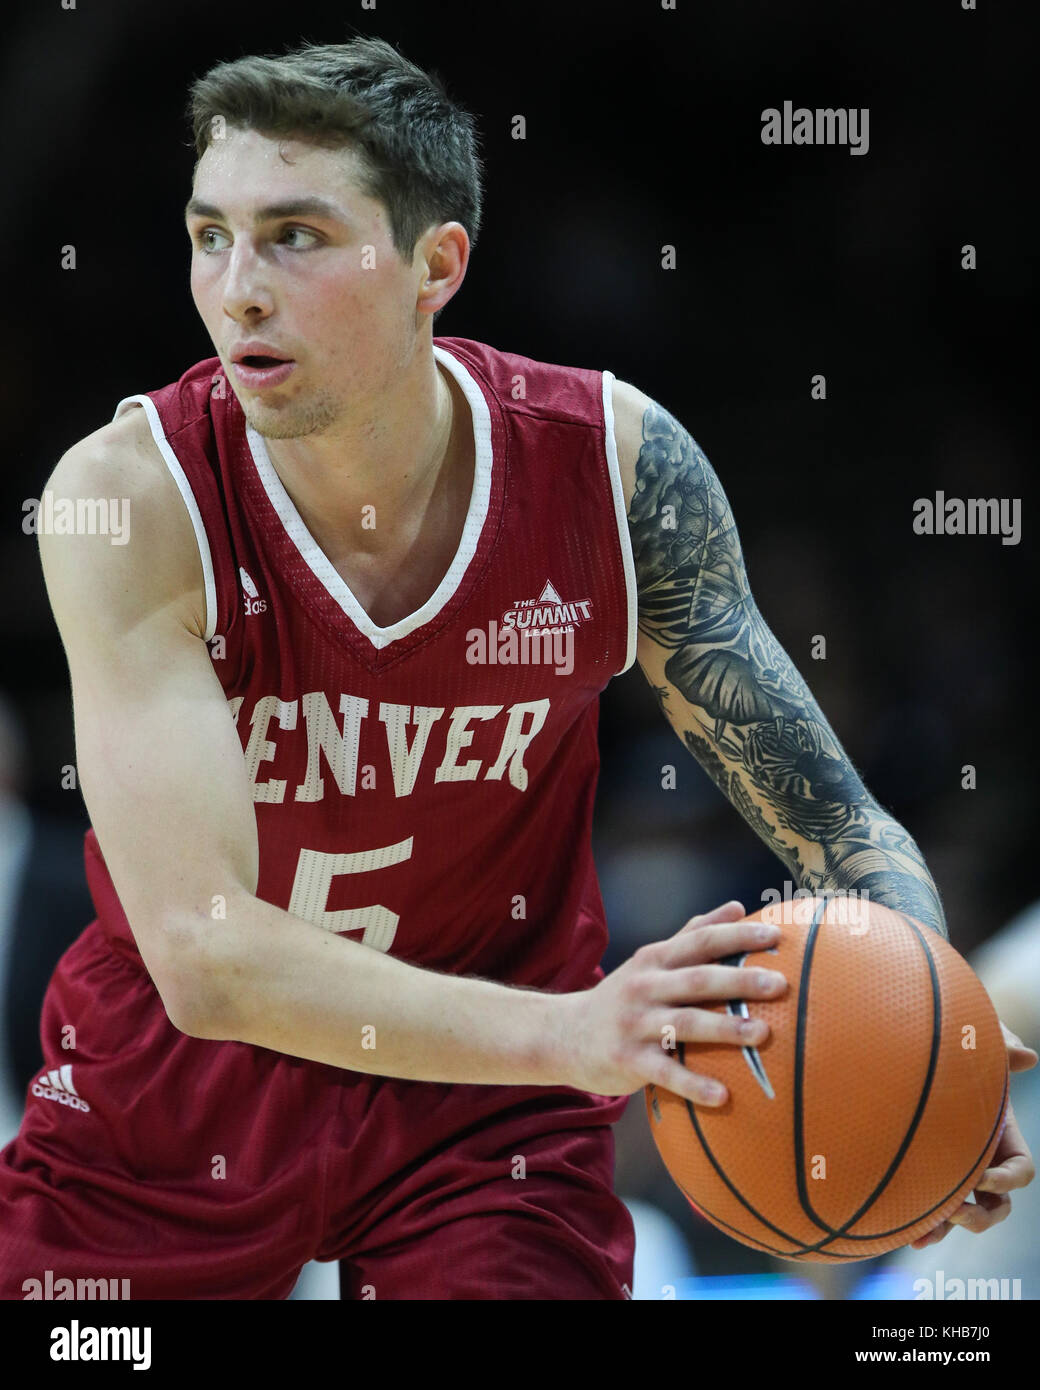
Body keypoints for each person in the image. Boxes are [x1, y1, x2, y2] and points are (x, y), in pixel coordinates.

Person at [0, 35, 1032, 1301]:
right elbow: (208, 961)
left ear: (435, 264)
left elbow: (835, 822)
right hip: (172, 1112)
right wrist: (579, 1031)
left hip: (483, 1121)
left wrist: (927, 1045)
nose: (236, 289)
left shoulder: (609, 468)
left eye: (295, 237)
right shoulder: (131, 497)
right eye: (210, 235)